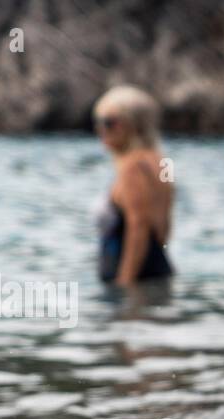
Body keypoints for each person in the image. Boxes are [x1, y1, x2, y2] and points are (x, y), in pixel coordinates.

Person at [92, 85, 174, 285]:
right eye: (99, 122)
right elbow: (164, 225)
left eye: (109, 123)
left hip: (132, 278)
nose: (101, 130)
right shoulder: (160, 161)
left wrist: (125, 282)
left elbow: (139, 225)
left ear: (133, 124)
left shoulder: (133, 167)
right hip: (156, 270)